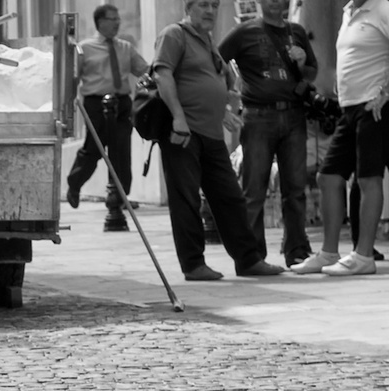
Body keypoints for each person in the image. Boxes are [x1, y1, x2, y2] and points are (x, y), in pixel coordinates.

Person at [153, 0, 285, 280]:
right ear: (188, 7)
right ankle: (193, 264)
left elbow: (214, 80)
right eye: (203, 5)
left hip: (211, 134)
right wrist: (178, 117)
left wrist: (222, 110)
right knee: (186, 199)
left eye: (214, 5)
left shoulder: (207, 41)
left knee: (230, 198)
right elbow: (163, 75)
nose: (210, 11)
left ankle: (249, 260)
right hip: (183, 133)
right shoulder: (174, 34)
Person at [290, 0, 389, 277]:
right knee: (328, 177)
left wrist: (386, 92)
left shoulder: (382, 8)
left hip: (374, 107)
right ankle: (329, 253)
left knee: (368, 179)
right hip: (349, 108)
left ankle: (364, 256)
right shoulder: (348, 12)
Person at [218, 0, 317, 267]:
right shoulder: (244, 32)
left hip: (294, 115)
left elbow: (312, 72)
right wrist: (227, 96)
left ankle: (297, 250)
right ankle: (251, 257)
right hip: (258, 116)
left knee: (295, 189)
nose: (275, 2)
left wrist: (302, 62)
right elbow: (216, 61)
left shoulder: (296, 31)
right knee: (254, 190)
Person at [66, 4, 149, 232]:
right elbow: (72, 79)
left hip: (121, 104)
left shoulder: (125, 47)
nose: (117, 23)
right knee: (94, 148)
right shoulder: (84, 48)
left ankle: (119, 198)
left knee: (121, 150)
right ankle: (75, 183)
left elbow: (144, 71)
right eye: (112, 19)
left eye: (118, 19)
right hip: (95, 103)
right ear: (100, 22)